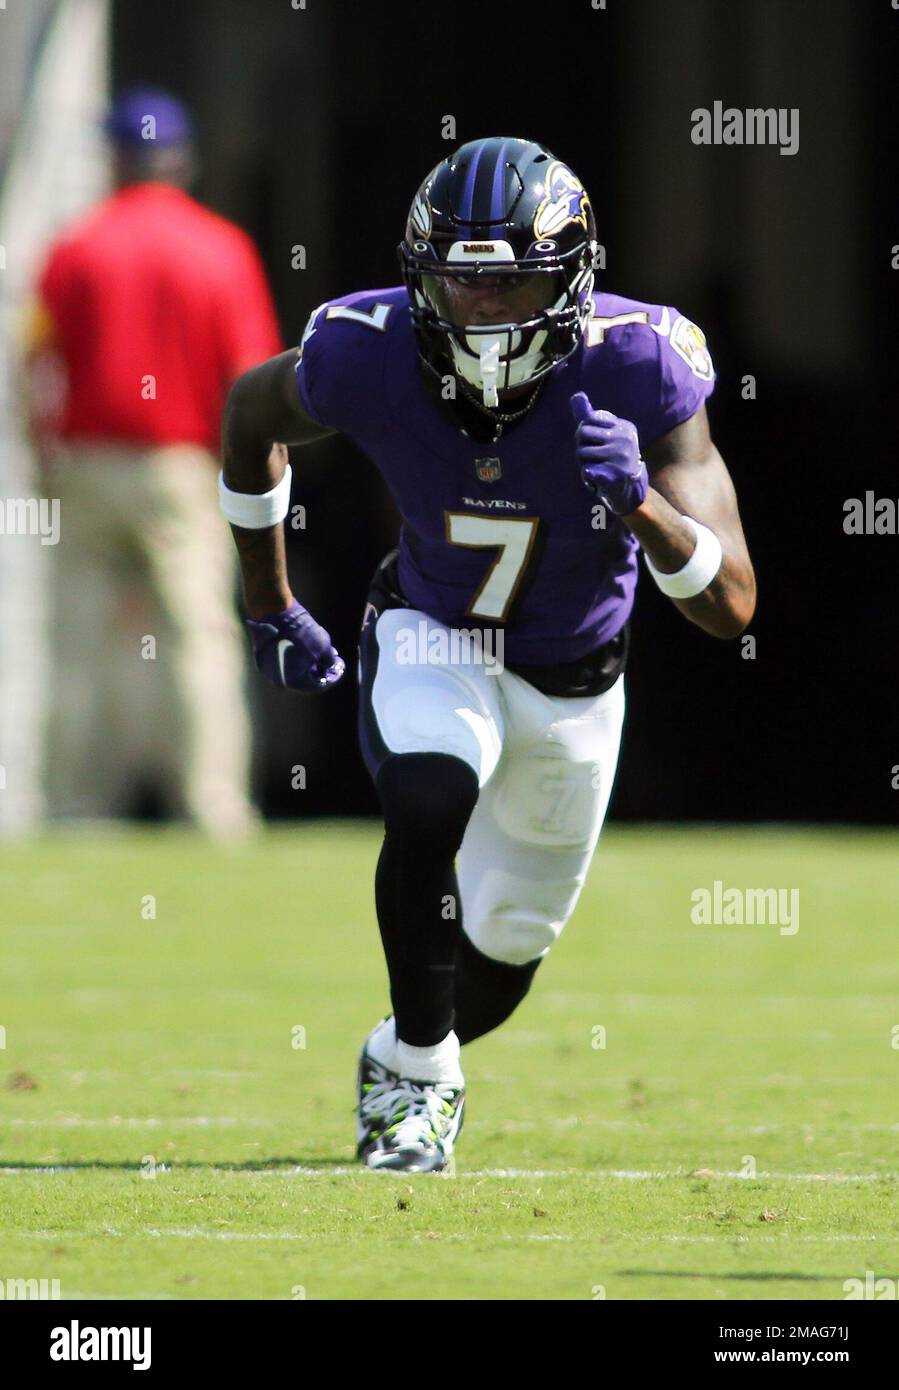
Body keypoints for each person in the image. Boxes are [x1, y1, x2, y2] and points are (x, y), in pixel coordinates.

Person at [219, 136, 756, 1170]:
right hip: (434, 627)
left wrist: (640, 503)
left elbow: (730, 605)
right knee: (425, 797)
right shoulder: (364, 348)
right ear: (422, 278)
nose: (483, 310)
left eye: (510, 284)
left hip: (573, 677)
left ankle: (400, 1050)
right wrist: (269, 600)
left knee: (496, 967)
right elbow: (249, 413)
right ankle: (420, 1083)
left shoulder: (639, 363)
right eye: (461, 283)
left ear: (569, 282)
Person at [26, 85, 281, 834]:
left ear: (114, 158)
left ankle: (72, 807)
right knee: (198, 636)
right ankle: (213, 808)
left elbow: (34, 363)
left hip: (89, 463)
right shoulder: (220, 247)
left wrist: (40, 452)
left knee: (75, 642)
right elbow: (251, 379)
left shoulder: (76, 245)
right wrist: (251, 478)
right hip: (182, 467)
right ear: (180, 162)